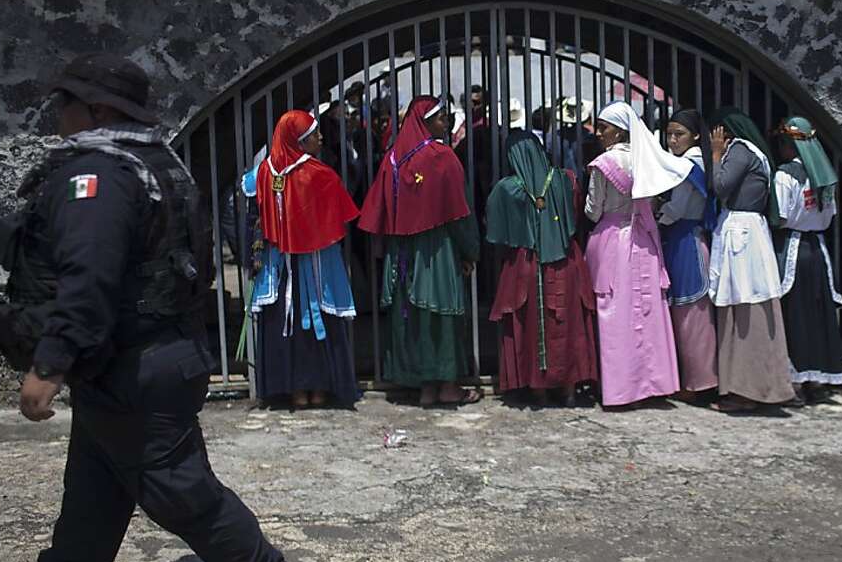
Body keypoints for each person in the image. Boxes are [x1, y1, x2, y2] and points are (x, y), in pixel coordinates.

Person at [0, 53, 322, 562]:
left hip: (137, 364)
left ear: (99, 110)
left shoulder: (102, 177)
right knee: (93, 488)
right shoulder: (157, 163)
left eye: (68, 102)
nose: (58, 113)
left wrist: (48, 365)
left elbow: (89, 280)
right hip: (139, 359)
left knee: (180, 490)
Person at [360, 95, 483, 406]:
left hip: (401, 253)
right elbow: (460, 212)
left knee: (412, 316)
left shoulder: (391, 159)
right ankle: (448, 387)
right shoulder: (442, 157)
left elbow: (379, 210)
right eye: (441, 118)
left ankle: (424, 388)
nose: (447, 123)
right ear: (425, 122)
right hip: (437, 250)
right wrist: (471, 251)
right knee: (441, 314)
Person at [250, 110, 361, 409]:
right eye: (313, 133)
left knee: (284, 324)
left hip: (279, 267)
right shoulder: (321, 174)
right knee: (317, 321)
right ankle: (320, 388)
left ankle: (292, 390)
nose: (320, 137)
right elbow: (342, 218)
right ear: (298, 140)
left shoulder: (264, 172)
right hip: (317, 264)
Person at [486, 131, 598, 405]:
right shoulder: (566, 179)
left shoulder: (507, 189)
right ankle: (569, 389)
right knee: (568, 323)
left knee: (531, 326)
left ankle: (538, 390)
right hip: (566, 262)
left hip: (526, 264)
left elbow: (496, 231)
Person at [584, 101, 684, 407]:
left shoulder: (604, 164)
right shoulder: (647, 160)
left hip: (613, 239)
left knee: (614, 311)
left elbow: (592, 210)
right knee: (647, 310)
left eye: (604, 127)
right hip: (643, 239)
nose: (599, 133)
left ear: (620, 130)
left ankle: (620, 388)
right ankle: (651, 383)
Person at [707, 108, 795, 412]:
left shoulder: (740, 151)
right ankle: (745, 386)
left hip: (742, 237)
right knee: (742, 308)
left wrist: (717, 155)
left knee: (746, 308)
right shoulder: (753, 151)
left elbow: (720, 187)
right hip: (747, 233)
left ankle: (748, 389)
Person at [772, 116, 842, 402]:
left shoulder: (785, 175)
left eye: (782, 142)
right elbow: (829, 215)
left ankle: (794, 381)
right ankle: (817, 380)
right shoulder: (825, 177)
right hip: (818, 250)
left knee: (795, 317)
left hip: (792, 249)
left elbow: (780, 216)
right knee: (818, 316)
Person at [659, 109, 719, 402]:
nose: (671, 140)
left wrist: (657, 213)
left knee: (690, 315)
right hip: (692, 237)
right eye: (669, 134)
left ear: (695, 135)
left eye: (678, 134)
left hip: (686, 240)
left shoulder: (687, 165)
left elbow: (677, 209)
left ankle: (699, 382)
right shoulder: (698, 161)